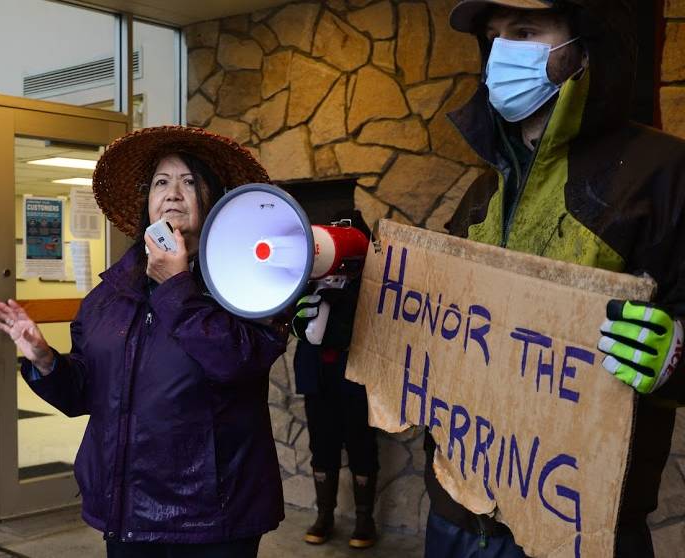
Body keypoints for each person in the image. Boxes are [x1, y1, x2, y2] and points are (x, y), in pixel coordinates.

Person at [420, 2, 685, 556]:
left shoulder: (662, 172)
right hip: (456, 509)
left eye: (524, 32)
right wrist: (344, 318)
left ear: (584, 46)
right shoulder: (483, 190)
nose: (501, 53)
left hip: (582, 518)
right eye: (493, 37)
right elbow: (429, 318)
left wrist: (678, 355)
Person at [0, 126, 286, 558]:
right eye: (162, 183)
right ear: (146, 201)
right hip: (126, 510)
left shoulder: (248, 280)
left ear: (214, 198)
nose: (173, 193)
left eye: (189, 182)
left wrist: (176, 285)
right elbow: (86, 393)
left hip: (214, 516)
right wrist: (46, 360)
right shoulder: (110, 294)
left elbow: (237, 362)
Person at [290, 213, 379, 549]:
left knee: (361, 445)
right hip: (318, 376)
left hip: (354, 375)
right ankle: (324, 516)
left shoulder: (369, 280)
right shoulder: (310, 275)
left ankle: (364, 520)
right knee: (322, 446)